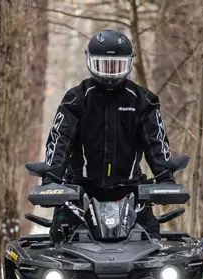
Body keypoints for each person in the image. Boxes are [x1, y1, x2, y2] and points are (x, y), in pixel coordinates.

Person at [42, 28, 176, 242]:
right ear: (91, 62)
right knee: (60, 248)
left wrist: (165, 177)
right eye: (105, 65)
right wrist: (52, 178)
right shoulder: (77, 98)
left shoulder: (143, 100)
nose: (111, 73)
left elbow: (156, 141)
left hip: (131, 193)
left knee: (151, 247)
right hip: (80, 192)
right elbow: (60, 138)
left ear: (128, 64)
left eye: (117, 66)